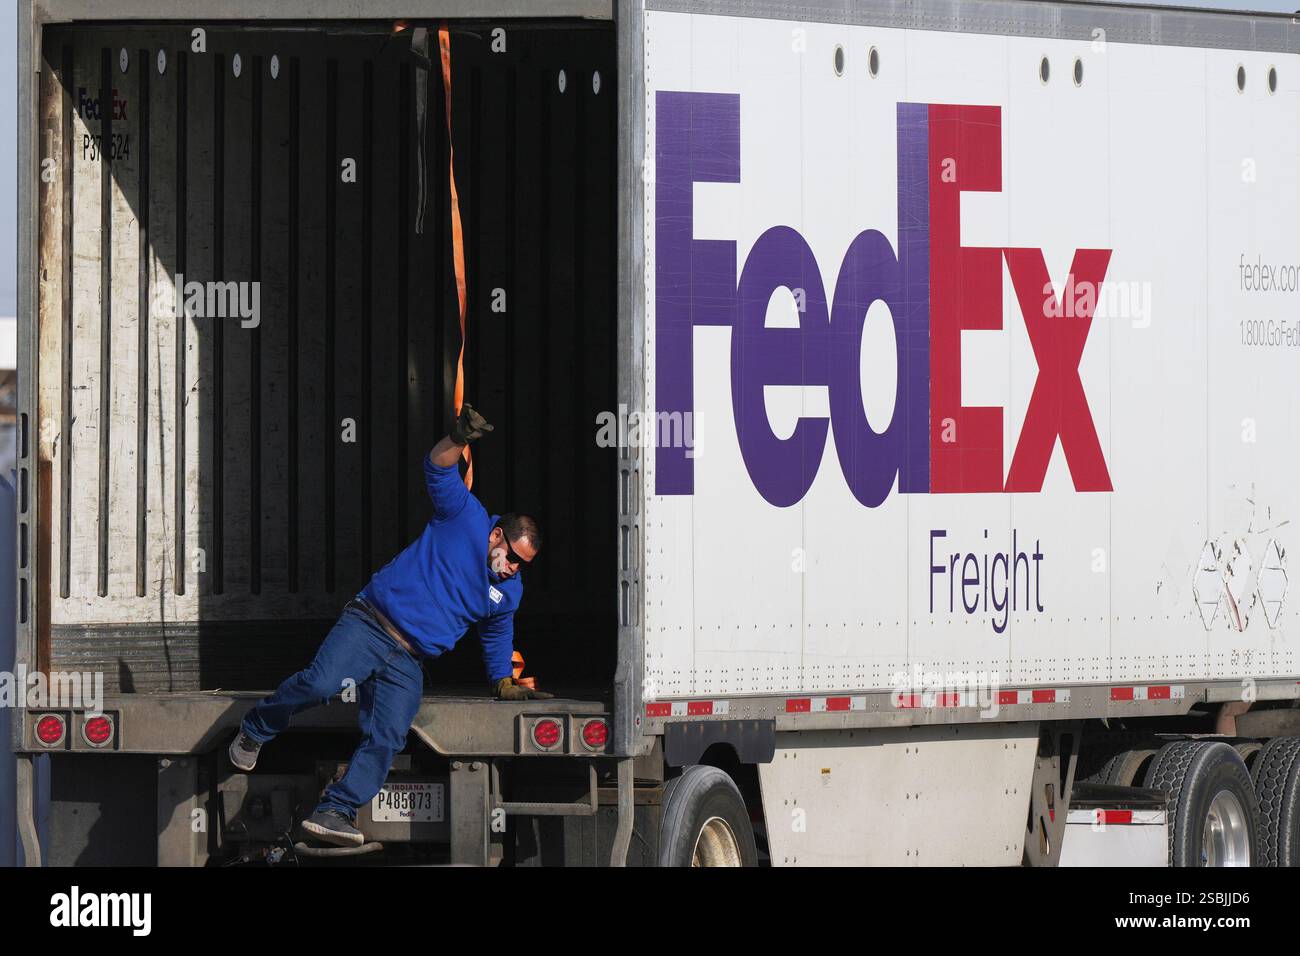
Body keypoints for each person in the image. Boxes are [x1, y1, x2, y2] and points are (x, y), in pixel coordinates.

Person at [227, 403, 550, 847]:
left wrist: (501, 680)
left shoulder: (509, 591)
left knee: (391, 733)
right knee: (321, 684)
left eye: (522, 564)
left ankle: (336, 809)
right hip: (370, 624)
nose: (513, 567)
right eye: (512, 556)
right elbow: (436, 469)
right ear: (497, 535)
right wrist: (457, 440)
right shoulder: (465, 516)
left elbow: (496, 635)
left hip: (408, 659)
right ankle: (256, 728)